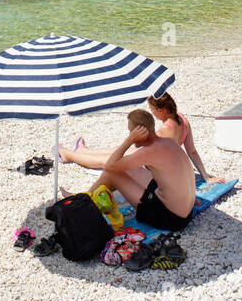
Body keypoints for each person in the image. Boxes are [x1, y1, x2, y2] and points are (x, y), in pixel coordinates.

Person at [59, 92, 215, 182]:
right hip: (155, 159)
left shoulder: (163, 130)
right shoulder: (183, 120)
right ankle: (82, 150)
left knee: (106, 159)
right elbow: (192, 151)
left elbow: (142, 150)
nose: (151, 112)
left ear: (160, 110)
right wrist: (206, 177)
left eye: (152, 109)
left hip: (151, 164)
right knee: (114, 150)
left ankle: (69, 154)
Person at [86, 109, 196, 232]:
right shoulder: (167, 141)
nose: (129, 135)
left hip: (171, 218)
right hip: (186, 211)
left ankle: (83, 202)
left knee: (111, 173)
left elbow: (109, 166)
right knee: (129, 168)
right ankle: (87, 197)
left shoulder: (149, 152)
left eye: (130, 132)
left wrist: (128, 141)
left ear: (139, 132)